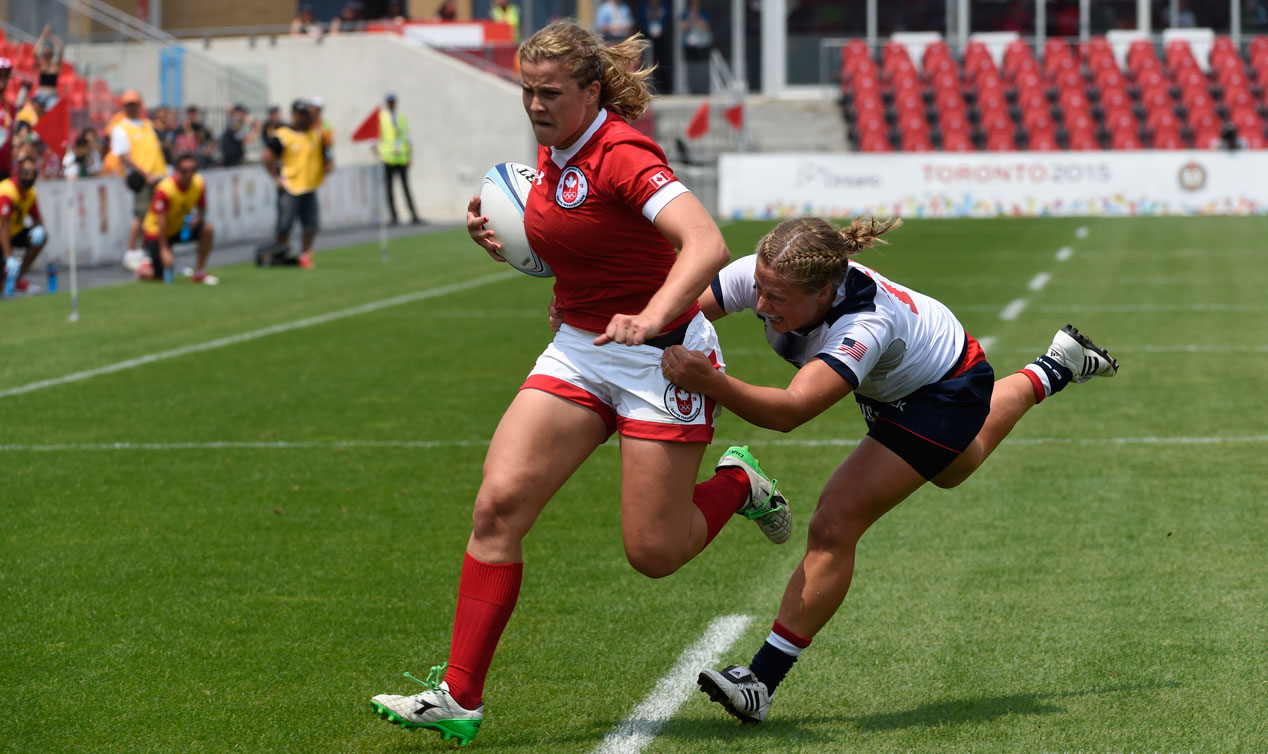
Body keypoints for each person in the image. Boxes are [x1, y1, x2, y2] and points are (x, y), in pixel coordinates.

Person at [367, 20, 792, 747]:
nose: (535, 104)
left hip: (662, 357)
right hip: (580, 348)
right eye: (527, 91)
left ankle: (738, 486)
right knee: (497, 505)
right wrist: (506, 244)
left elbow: (707, 243)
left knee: (653, 553)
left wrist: (654, 314)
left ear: (591, 91)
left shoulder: (621, 151)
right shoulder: (555, 146)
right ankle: (459, 696)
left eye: (550, 92)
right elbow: (578, 241)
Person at [652, 216, 1118, 724]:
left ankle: (762, 681)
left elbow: (790, 412)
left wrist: (712, 381)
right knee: (955, 466)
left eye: (777, 298)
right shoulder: (768, 275)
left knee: (835, 521)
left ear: (826, 291)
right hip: (904, 377)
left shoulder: (865, 325)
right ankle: (1054, 367)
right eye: (759, 290)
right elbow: (671, 316)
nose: (761, 305)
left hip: (943, 390)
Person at [261, 99, 328, 269]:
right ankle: (280, 254)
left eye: (305, 114)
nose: (303, 118)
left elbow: (326, 156)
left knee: (310, 224)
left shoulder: (315, 134)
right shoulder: (284, 134)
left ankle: (305, 254)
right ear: (293, 115)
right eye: (300, 114)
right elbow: (267, 156)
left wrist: (324, 171)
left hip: (310, 186)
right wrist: (276, 178)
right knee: (284, 225)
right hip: (290, 187)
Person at [141, 152, 217, 285]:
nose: (189, 174)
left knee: (207, 229)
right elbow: (161, 221)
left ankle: (199, 272)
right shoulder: (165, 189)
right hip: (157, 232)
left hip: (179, 228)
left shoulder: (198, 183)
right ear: (177, 171)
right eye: (185, 171)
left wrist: (198, 218)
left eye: (193, 170)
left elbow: (202, 208)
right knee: (158, 277)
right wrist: (165, 249)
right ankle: (145, 268)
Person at [110, 90, 167, 259]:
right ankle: (131, 250)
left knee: (154, 216)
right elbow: (124, 156)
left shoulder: (147, 124)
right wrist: (146, 174)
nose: (132, 107)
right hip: (143, 177)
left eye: (135, 104)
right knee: (141, 214)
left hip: (158, 175)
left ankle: (144, 249)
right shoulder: (121, 128)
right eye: (129, 104)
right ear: (124, 106)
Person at [0, 157, 47, 297]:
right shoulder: (7, 191)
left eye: (33, 173)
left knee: (42, 237)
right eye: (27, 171)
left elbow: (37, 219)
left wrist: (39, 229)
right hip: (2, 233)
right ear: (19, 173)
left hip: (14, 232)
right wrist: (9, 258)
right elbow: (3, 227)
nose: (30, 176)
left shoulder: (31, 193)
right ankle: (7, 276)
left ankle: (16, 278)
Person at [374, 93, 421, 224]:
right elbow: (375, 138)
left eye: (393, 101)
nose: (391, 104)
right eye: (389, 102)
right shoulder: (381, 118)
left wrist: (410, 156)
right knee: (389, 189)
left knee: (406, 188)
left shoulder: (401, 118)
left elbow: (408, 138)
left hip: (401, 158)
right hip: (388, 159)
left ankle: (414, 215)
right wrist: (379, 154)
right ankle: (394, 217)